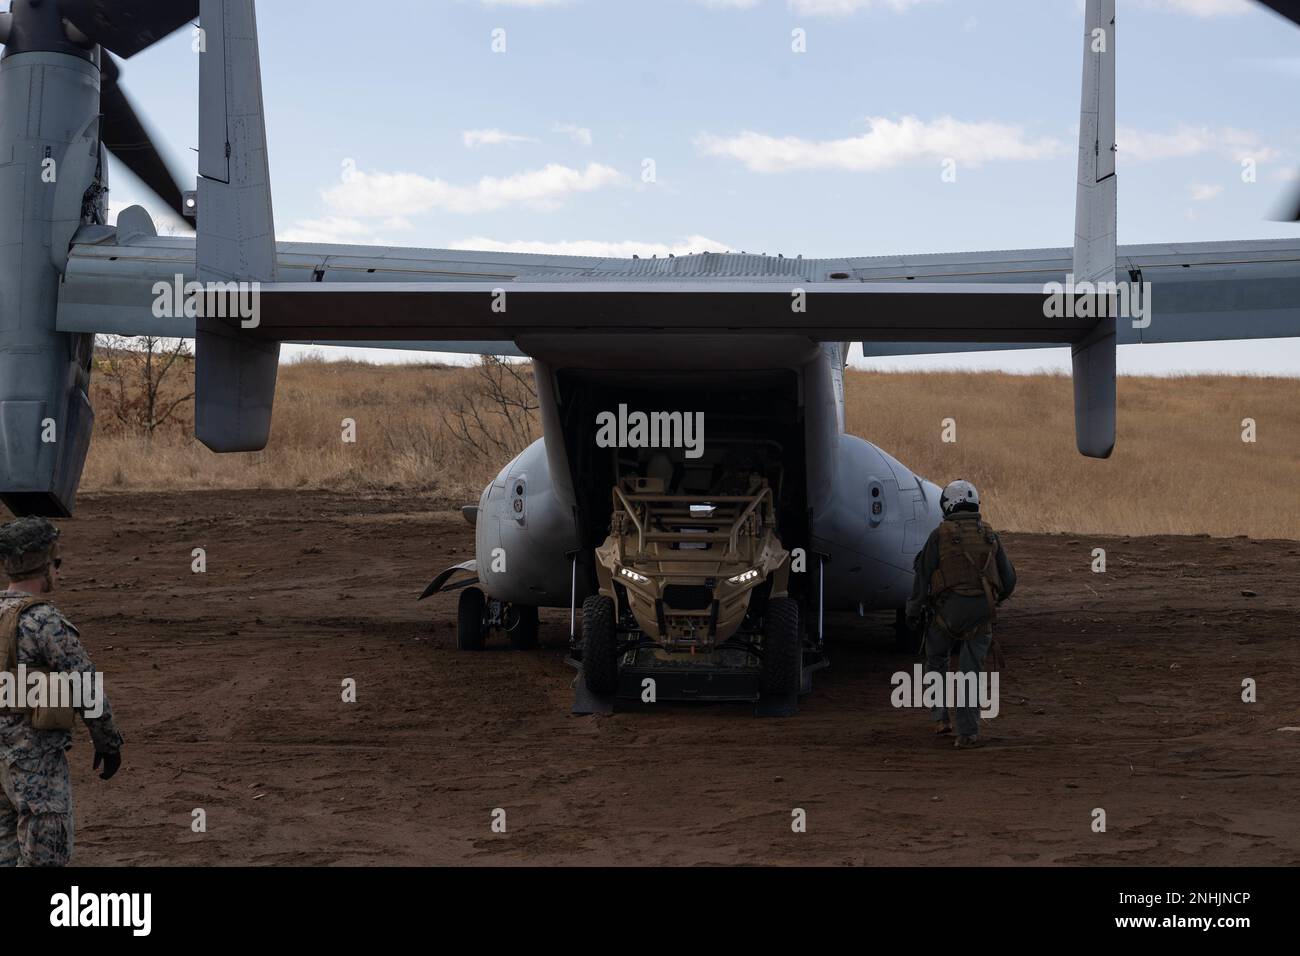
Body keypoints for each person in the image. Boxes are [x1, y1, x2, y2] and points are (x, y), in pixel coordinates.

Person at [0, 516, 123, 866]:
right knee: (46, 856)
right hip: (33, 759)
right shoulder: (44, 622)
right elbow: (84, 687)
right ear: (45, 564)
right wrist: (108, 742)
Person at [906, 480, 1016, 750]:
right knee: (971, 672)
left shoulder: (939, 535)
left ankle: (940, 717)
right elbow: (1009, 580)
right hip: (982, 613)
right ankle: (967, 732)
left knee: (937, 658)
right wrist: (992, 601)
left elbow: (922, 578)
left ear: (947, 505)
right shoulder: (990, 534)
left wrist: (913, 611)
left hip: (947, 613)